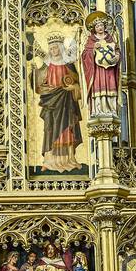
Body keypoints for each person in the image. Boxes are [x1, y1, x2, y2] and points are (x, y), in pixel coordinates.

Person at [33, 33, 83, 170]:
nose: (53, 51)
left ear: (61, 48)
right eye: (51, 48)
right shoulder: (46, 66)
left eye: (55, 48)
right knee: (50, 129)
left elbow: (79, 84)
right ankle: (49, 161)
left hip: (67, 102)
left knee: (67, 129)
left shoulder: (69, 66)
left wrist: (74, 87)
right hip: (51, 103)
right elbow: (38, 84)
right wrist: (33, 72)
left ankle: (70, 160)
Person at [81, 14, 121, 119]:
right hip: (97, 70)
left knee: (110, 86)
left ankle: (111, 109)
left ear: (104, 26)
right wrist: (93, 49)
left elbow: (116, 50)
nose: (100, 28)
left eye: (101, 25)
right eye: (97, 26)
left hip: (109, 69)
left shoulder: (110, 38)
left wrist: (117, 57)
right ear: (94, 28)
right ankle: (97, 110)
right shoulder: (91, 39)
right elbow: (85, 55)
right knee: (98, 87)